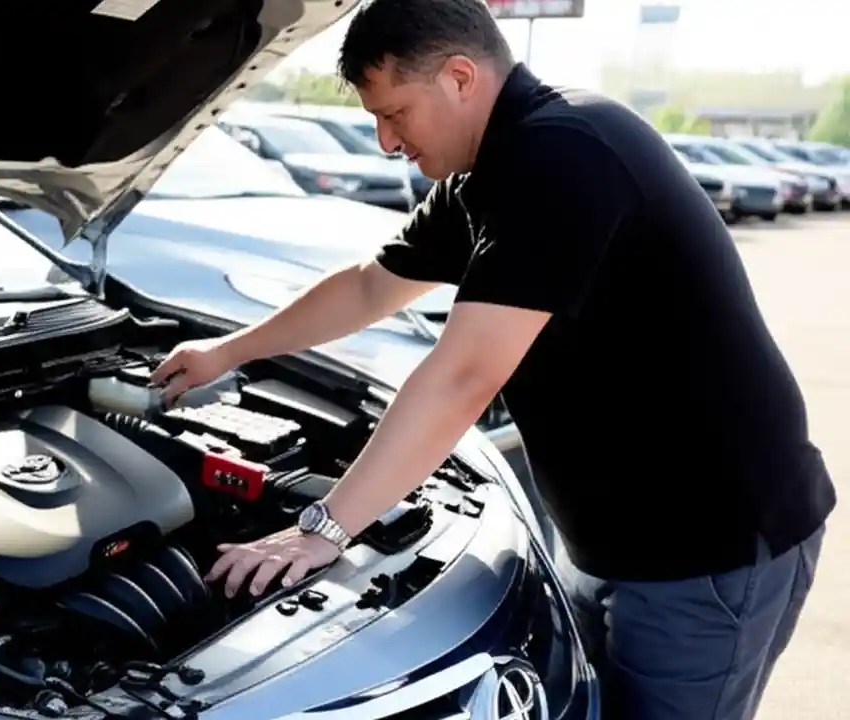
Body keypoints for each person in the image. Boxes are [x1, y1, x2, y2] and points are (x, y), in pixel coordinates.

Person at [148, 1, 835, 718]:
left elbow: (464, 376)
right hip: (608, 540)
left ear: (460, 77)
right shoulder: (486, 175)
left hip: (707, 551)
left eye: (397, 113)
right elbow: (369, 286)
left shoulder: (563, 154)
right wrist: (226, 351)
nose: (387, 142)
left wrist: (322, 530)